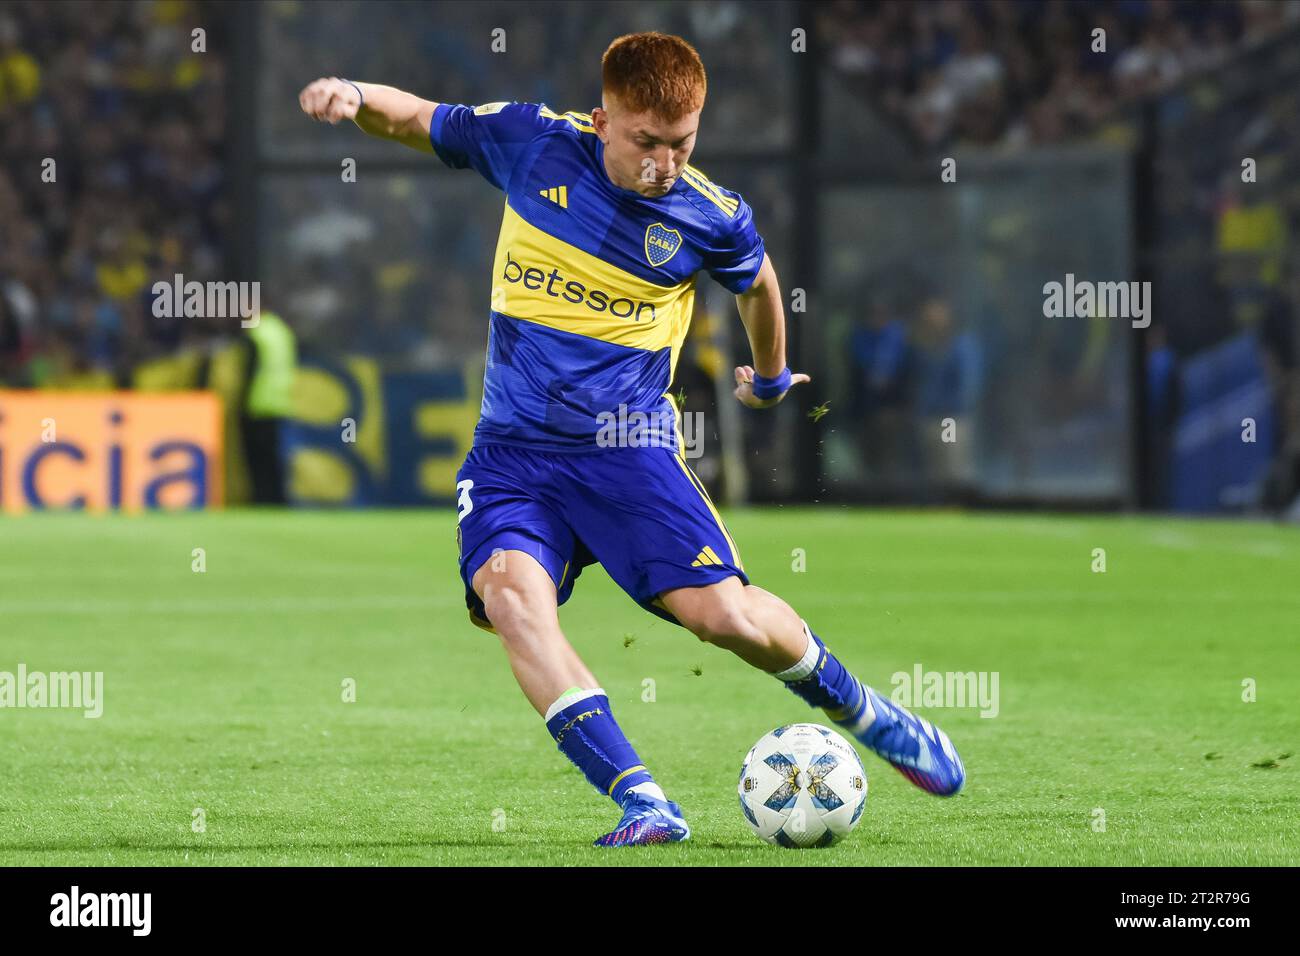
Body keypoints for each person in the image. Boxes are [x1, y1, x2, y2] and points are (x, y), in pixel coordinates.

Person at [298, 32, 964, 847]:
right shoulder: (532, 142)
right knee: (512, 601)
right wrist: (356, 94)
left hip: (630, 449)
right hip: (512, 455)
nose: (664, 164)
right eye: (647, 142)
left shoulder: (709, 214)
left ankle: (867, 712)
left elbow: (757, 281)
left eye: (682, 144)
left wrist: (770, 372)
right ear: (604, 115)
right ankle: (644, 801)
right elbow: (415, 119)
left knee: (724, 620)